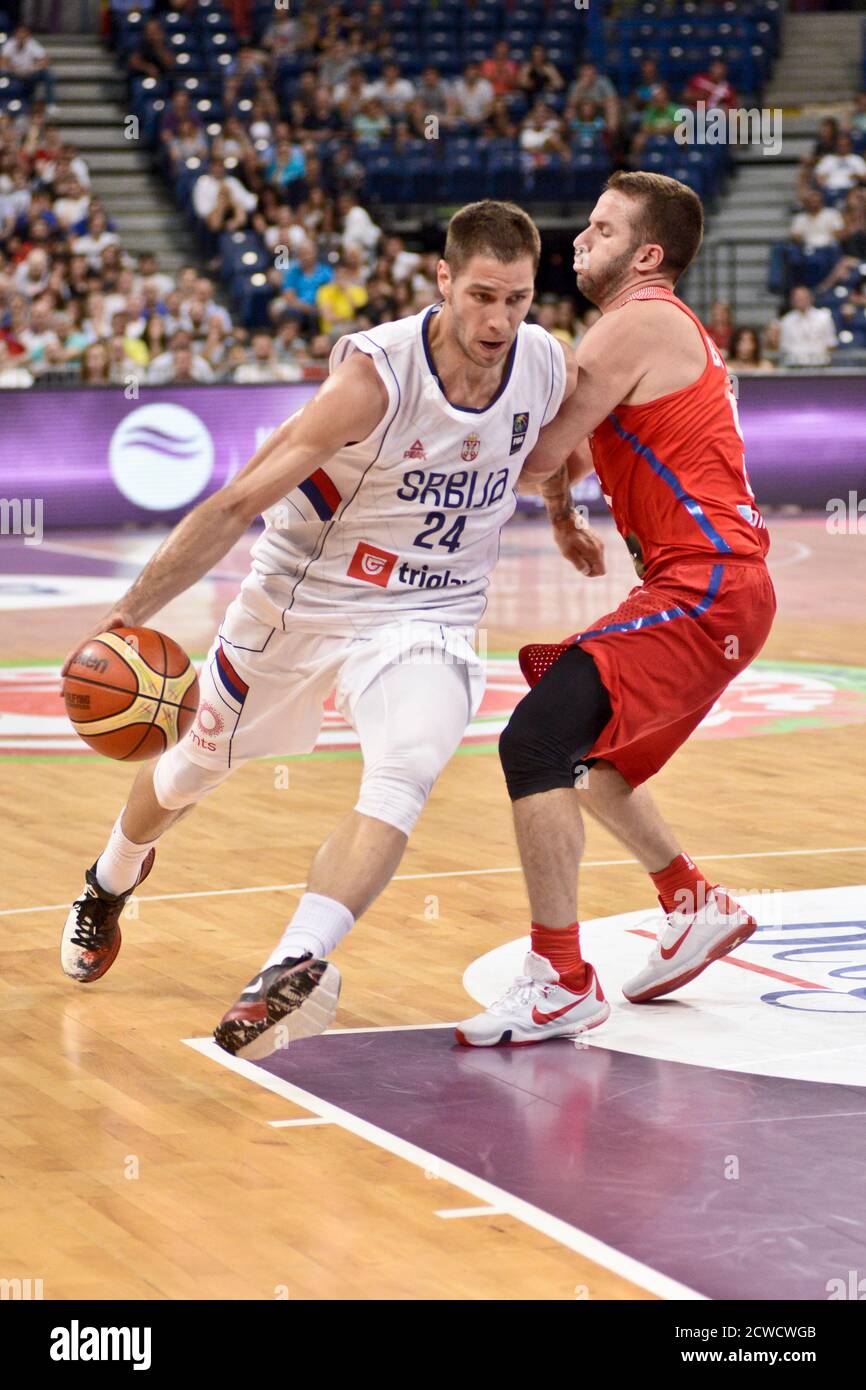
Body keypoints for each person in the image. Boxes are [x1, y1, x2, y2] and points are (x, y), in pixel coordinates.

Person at [59, 200, 596, 1062]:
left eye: (519, 299)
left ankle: (291, 963)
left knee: (406, 769)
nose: (500, 320)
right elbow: (237, 501)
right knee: (191, 769)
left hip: (429, 614)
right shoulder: (374, 379)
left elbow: (549, 450)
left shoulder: (543, 361)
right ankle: (109, 879)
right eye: (483, 296)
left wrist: (564, 518)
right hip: (300, 604)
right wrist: (130, 613)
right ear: (443, 281)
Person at [456, 172, 776, 1046]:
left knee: (534, 740)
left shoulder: (635, 320)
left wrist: (436, 397)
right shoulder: (657, 332)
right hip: (720, 589)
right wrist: (564, 519)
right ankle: (690, 898)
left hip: (704, 584)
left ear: (646, 253)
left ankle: (560, 978)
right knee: (595, 766)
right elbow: (576, 452)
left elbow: (540, 447)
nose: (577, 241)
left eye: (599, 229)